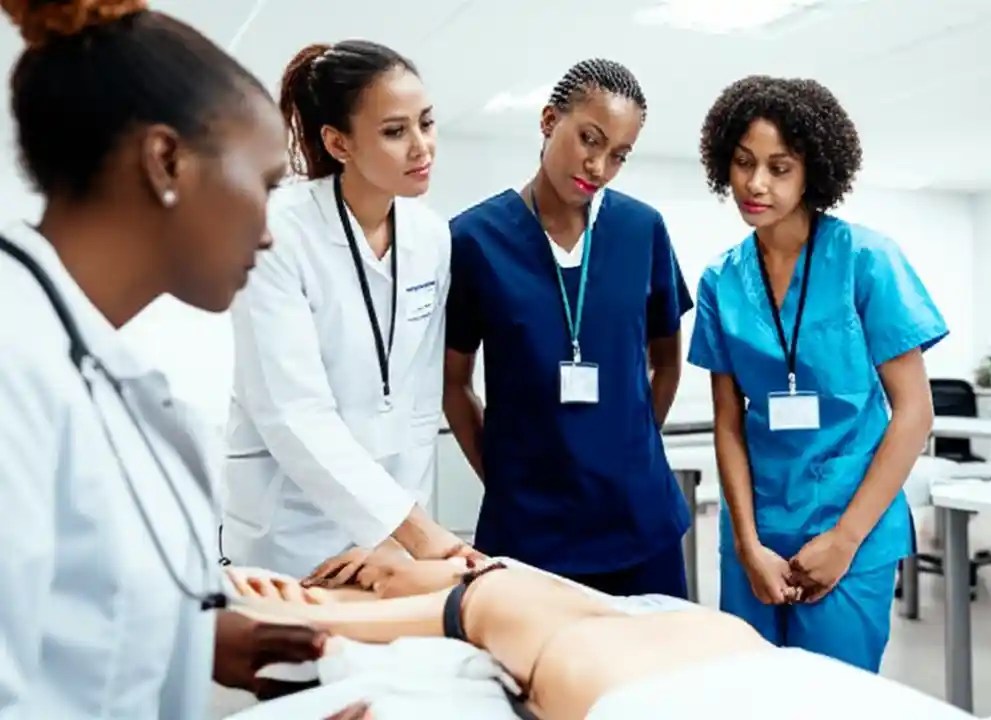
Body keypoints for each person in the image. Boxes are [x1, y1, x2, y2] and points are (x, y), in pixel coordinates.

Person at [0, 1, 365, 716]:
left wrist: (193, 640)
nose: (268, 235)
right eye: (263, 186)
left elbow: (74, 618)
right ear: (166, 161)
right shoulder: (13, 365)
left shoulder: (99, 368)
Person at [685, 75, 948, 671]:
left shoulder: (867, 260)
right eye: (743, 162)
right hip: (756, 531)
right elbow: (728, 423)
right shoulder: (720, 280)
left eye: (780, 167)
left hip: (848, 529)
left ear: (813, 173)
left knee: (834, 697)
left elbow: (915, 413)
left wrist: (845, 540)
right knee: (749, 694)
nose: (755, 183)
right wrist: (749, 546)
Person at [220, 40, 478, 582]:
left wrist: (402, 540)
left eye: (426, 123)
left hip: (393, 532)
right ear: (339, 143)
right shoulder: (276, 232)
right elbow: (293, 412)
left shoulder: (430, 236)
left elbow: (416, 403)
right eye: (394, 131)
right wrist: (413, 532)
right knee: (301, 661)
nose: (421, 147)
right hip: (289, 530)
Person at [444, 58, 694, 597]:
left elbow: (667, 359)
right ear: (548, 119)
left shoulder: (641, 230)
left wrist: (632, 446)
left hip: (638, 522)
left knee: (651, 673)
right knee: (529, 677)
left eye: (619, 155)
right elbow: (453, 382)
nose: (599, 165)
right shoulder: (474, 239)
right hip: (528, 532)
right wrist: (504, 476)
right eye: (589, 139)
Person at [229, 558, 951, 720]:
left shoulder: (507, 590)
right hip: (724, 682)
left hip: (774, 680)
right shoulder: (493, 599)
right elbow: (308, 628)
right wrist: (319, 608)